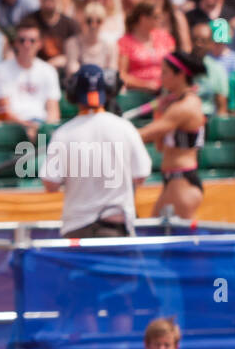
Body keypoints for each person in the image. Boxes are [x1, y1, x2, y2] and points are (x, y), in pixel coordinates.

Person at [40, 65, 151, 238]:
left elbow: (51, 184)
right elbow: (140, 175)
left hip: (77, 227)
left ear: (72, 94)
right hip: (116, 227)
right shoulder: (125, 128)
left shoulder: (63, 134)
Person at [138, 50, 208, 221]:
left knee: (179, 243)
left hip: (182, 182)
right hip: (173, 181)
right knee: (156, 237)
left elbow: (146, 135)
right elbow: (160, 146)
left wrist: (116, 133)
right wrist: (160, 112)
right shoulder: (176, 105)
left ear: (181, 74)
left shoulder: (185, 106)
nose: (161, 77)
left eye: (165, 72)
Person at [0, 24, 61, 131]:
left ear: (39, 44)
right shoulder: (2, 70)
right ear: (15, 43)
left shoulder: (49, 71)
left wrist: (44, 130)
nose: (27, 44)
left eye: (32, 40)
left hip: (42, 125)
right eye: (22, 40)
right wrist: (27, 127)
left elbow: (53, 110)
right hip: (14, 128)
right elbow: (5, 109)